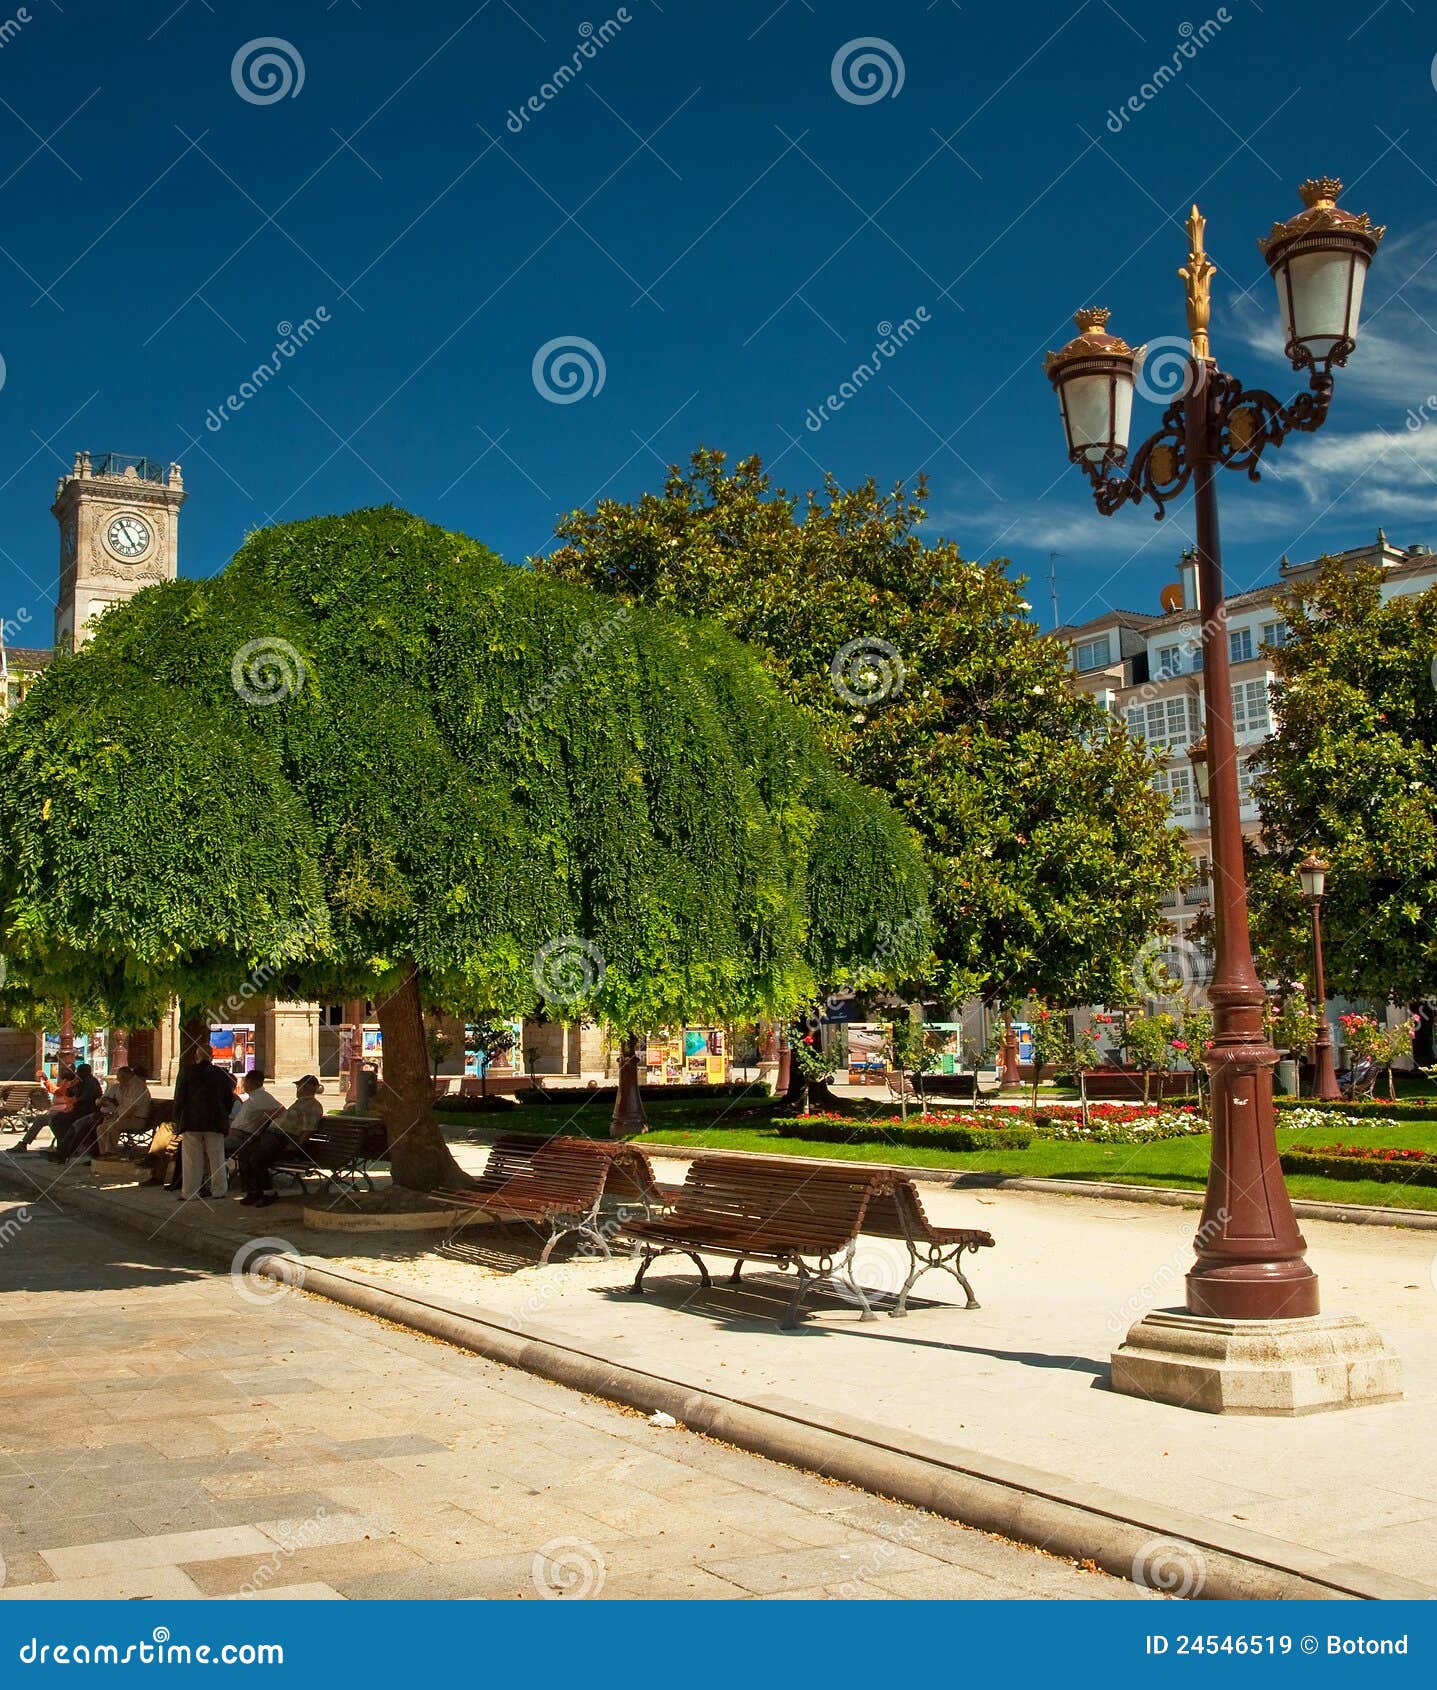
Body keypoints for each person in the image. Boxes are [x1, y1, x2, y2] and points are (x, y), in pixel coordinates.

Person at [236, 1075, 325, 1206]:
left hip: (284, 1139)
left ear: (307, 1088)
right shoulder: (299, 1103)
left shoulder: (313, 1105)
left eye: (299, 1086)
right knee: (245, 1153)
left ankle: (268, 1192)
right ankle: (253, 1191)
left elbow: (309, 1129)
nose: (297, 1089)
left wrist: (296, 1146)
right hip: (273, 1134)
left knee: (257, 1158)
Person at [174, 1042, 236, 1199]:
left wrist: (178, 1117)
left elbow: (179, 1097)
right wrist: (224, 1114)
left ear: (196, 1056)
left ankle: (190, 1192)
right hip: (215, 1120)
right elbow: (229, 1099)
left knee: (191, 1159)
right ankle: (219, 1190)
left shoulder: (186, 1072)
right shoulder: (221, 1073)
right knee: (217, 1157)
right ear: (212, 1057)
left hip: (191, 1120)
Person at [96, 1065, 153, 1157]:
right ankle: (104, 1153)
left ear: (125, 1076)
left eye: (119, 1078)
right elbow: (121, 1105)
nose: (119, 1081)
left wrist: (118, 1119)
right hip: (123, 1117)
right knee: (101, 1128)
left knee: (113, 1126)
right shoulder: (123, 1086)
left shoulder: (138, 1087)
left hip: (137, 1119)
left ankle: (111, 1152)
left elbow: (133, 1108)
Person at [226, 1069, 283, 1156]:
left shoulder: (262, 1097)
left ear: (249, 1082)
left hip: (242, 1136)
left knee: (212, 1146)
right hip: (235, 1133)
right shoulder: (254, 1097)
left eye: (245, 1081)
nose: (243, 1084)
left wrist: (264, 1120)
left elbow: (281, 1109)